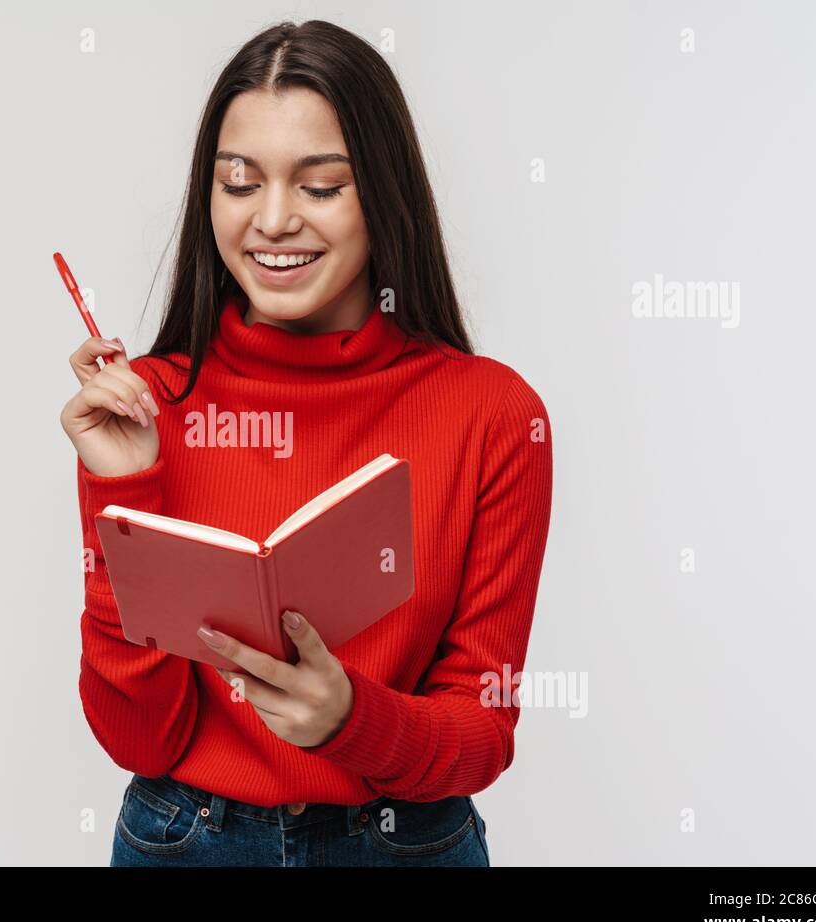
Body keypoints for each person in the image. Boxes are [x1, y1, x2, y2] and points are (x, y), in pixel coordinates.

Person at [58, 19, 553, 867]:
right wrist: (123, 491)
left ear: (384, 195)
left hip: (405, 843)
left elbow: (483, 730)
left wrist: (352, 719)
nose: (274, 219)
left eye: (321, 186)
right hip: (185, 840)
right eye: (239, 182)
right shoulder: (143, 407)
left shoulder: (494, 414)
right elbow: (139, 739)